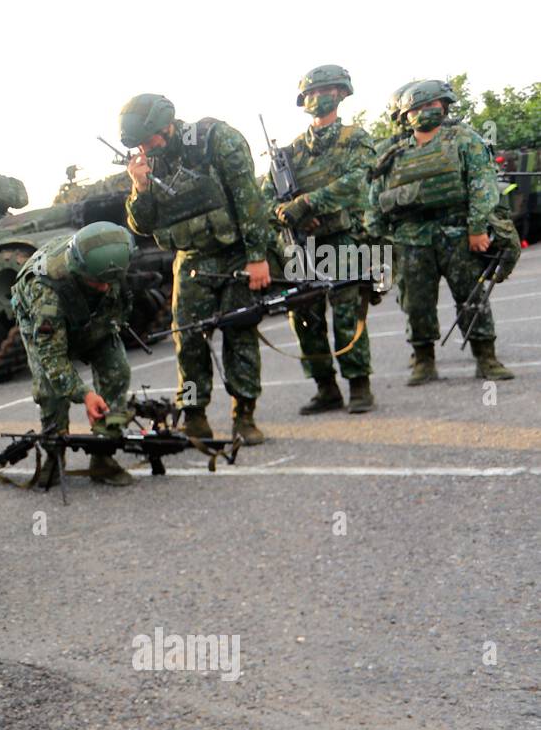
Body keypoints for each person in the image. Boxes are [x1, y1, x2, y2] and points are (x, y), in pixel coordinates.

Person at [120, 94, 276, 445]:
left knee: (239, 333)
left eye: (150, 140)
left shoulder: (216, 139)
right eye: (140, 144)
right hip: (191, 260)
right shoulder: (148, 164)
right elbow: (142, 226)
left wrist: (257, 256)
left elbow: (248, 198)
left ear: (167, 125)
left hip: (235, 254)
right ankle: (193, 415)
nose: (147, 148)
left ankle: (244, 415)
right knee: (187, 338)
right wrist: (140, 186)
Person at [367, 80, 516, 384]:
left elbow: (482, 187)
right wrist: (377, 238)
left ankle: (486, 357)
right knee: (415, 302)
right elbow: (373, 200)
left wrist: (477, 228)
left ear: (445, 105)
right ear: (404, 115)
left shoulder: (464, 140)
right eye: (417, 108)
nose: (425, 112)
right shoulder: (390, 153)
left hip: (458, 232)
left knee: (471, 297)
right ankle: (423, 360)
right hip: (410, 238)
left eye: (431, 105)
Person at [262, 65, 377, 415]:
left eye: (324, 90)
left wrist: (307, 203)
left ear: (341, 93)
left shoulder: (356, 138)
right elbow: (266, 198)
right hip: (301, 245)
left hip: (341, 239)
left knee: (346, 313)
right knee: (305, 318)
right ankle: (325, 387)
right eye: (311, 93)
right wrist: (287, 213)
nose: (317, 97)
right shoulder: (291, 153)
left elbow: (357, 181)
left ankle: (359, 385)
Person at [11, 222, 138, 486]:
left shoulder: (109, 263)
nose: (105, 287)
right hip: (46, 323)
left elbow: (115, 304)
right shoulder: (46, 293)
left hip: (93, 317)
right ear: (79, 271)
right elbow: (53, 360)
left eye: (109, 281)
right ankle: (54, 455)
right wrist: (85, 394)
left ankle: (103, 454)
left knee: (118, 372)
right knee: (50, 391)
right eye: (97, 281)